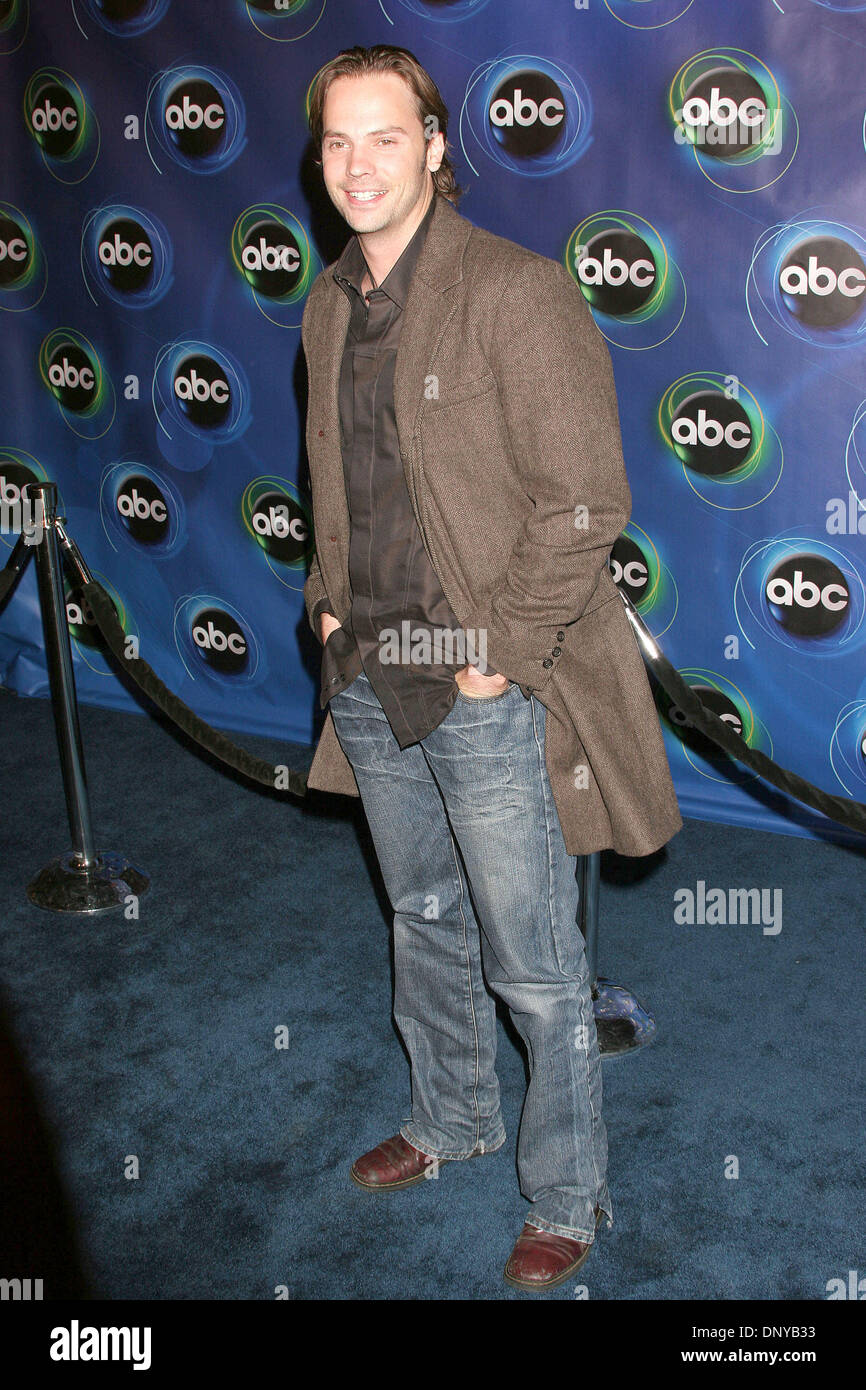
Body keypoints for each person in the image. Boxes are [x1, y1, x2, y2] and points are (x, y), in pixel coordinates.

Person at [300, 43, 682, 1292]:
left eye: (383, 137)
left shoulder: (515, 293)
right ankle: (449, 1114)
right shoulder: (323, 301)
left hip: (475, 675)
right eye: (335, 142)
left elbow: (583, 505)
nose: (357, 165)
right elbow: (336, 488)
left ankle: (566, 1193)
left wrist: (493, 661)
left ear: (434, 147)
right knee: (418, 914)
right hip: (367, 667)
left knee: (532, 959)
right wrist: (324, 606)